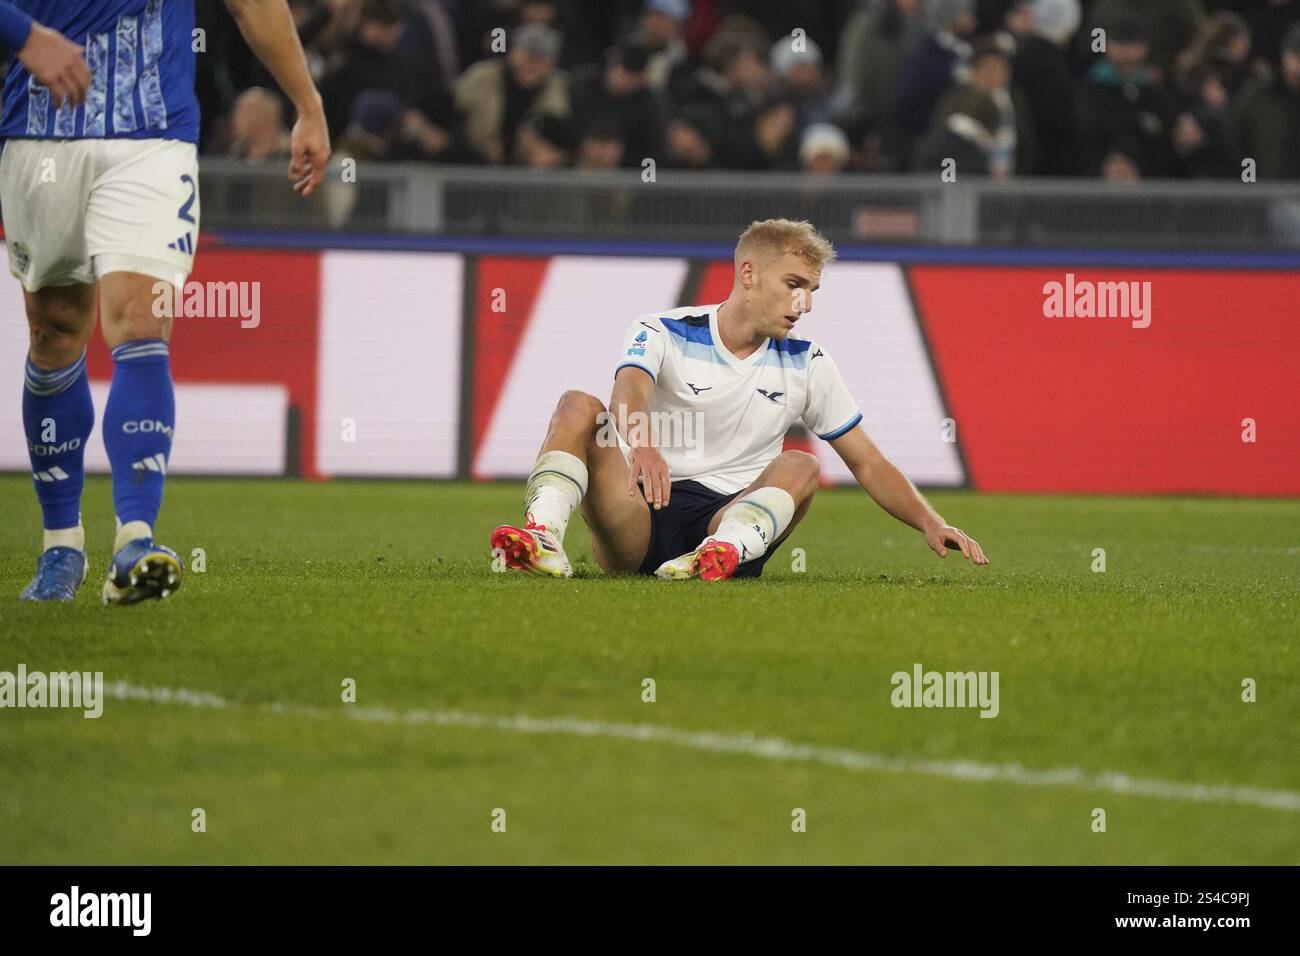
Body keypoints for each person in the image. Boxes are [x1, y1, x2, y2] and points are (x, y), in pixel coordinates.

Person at [0, 0, 329, 603]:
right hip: (40, 130)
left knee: (142, 318)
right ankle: (60, 545)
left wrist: (306, 103)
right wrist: (22, 35)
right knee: (54, 329)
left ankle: (135, 539)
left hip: (153, 136)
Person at [489, 218, 989, 582]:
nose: (805, 304)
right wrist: (641, 446)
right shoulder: (662, 329)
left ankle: (717, 553)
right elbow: (630, 388)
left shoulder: (808, 361)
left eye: (812, 290)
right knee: (578, 404)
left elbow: (868, 461)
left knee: (801, 465)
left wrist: (930, 519)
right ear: (748, 274)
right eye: (794, 285)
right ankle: (544, 538)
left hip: (731, 516)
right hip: (641, 511)